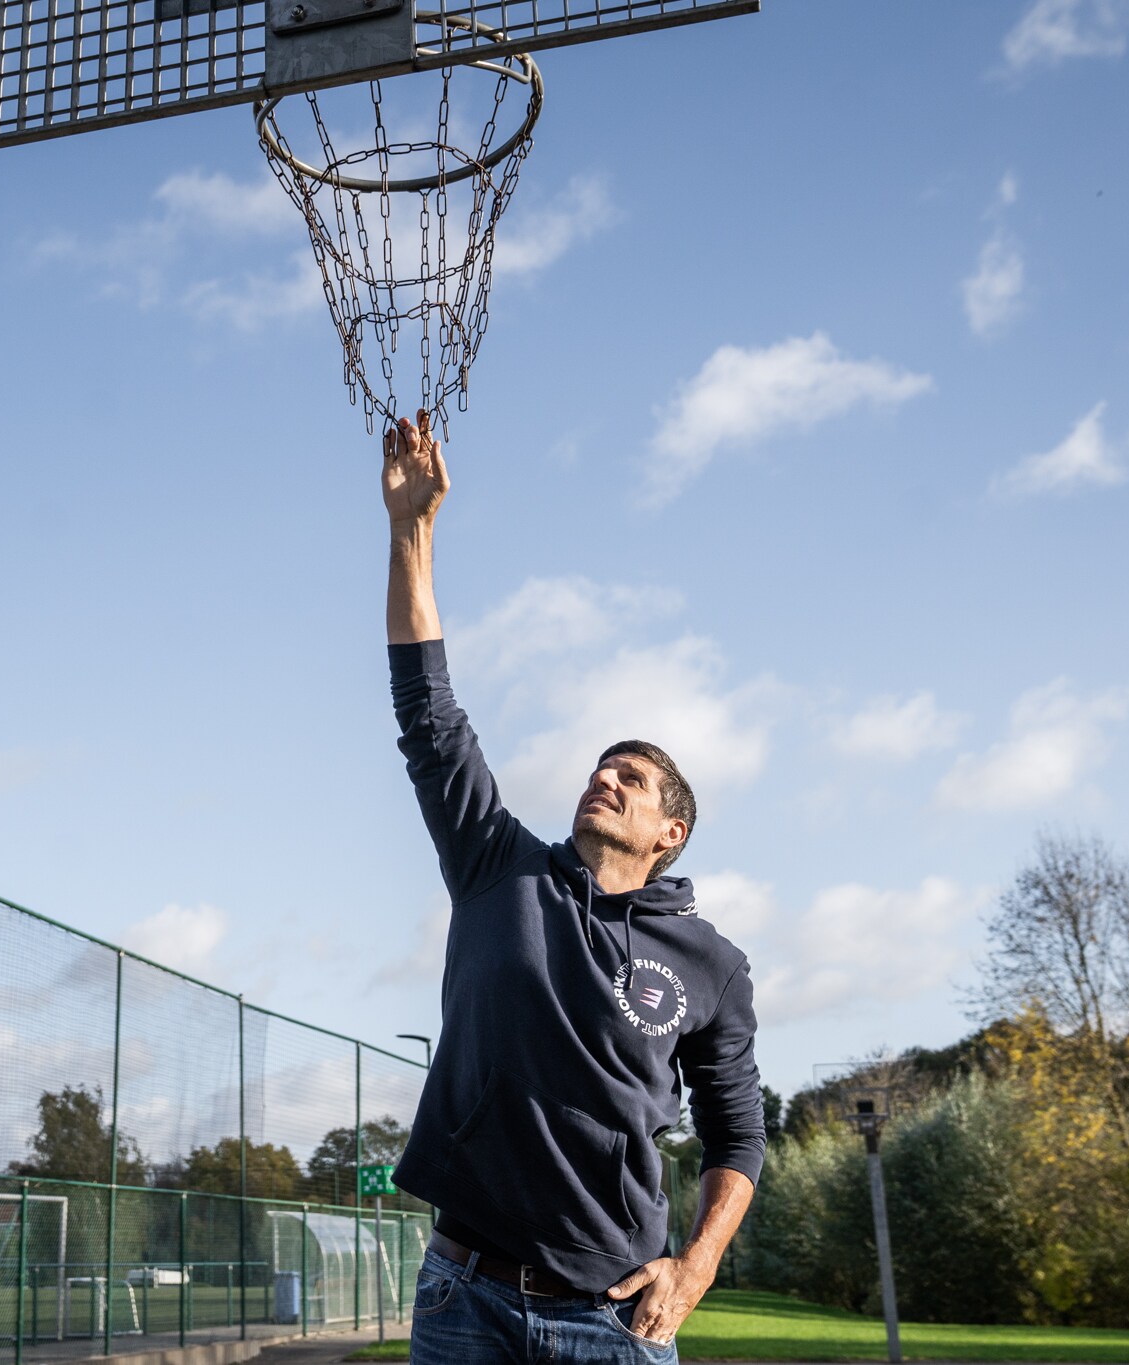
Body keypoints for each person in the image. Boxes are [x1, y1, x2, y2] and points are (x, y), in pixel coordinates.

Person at [381, 412, 766, 1364]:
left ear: (669, 833)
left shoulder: (710, 963)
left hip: (611, 1318)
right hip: (462, 1296)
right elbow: (429, 713)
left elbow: (737, 1137)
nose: (607, 776)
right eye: (603, 766)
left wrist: (698, 1266)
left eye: (632, 777)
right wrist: (410, 531)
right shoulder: (496, 865)